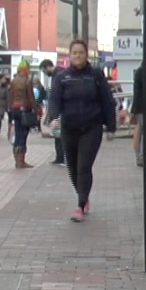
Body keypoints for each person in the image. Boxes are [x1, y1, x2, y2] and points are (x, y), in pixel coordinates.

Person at [50, 40, 117, 222]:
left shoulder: (95, 75)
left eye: (81, 52)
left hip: (91, 126)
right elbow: (54, 101)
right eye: (74, 53)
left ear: (86, 55)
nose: (77, 56)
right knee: (72, 167)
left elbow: (107, 100)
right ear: (70, 56)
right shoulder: (61, 78)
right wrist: (53, 118)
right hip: (69, 127)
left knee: (84, 166)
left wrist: (111, 126)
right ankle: (83, 196)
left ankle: (80, 205)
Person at [7, 62, 38, 170]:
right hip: (25, 109)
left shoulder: (13, 81)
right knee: (23, 136)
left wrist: (10, 109)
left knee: (17, 134)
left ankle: (17, 161)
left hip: (15, 109)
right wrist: (36, 110)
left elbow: (11, 96)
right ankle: (21, 161)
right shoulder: (27, 81)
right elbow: (31, 97)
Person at [38, 59, 64, 165]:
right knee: (57, 134)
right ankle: (59, 157)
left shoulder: (59, 75)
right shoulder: (55, 76)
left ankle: (62, 157)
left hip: (60, 110)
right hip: (55, 109)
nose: (44, 73)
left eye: (44, 71)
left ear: (48, 67)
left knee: (61, 135)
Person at [132, 62, 146, 168]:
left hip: (139, 108)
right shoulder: (144, 72)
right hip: (143, 108)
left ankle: (140, 155)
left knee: (141, 130)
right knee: (143, 131)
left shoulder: (140, 71)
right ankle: (141, 156)